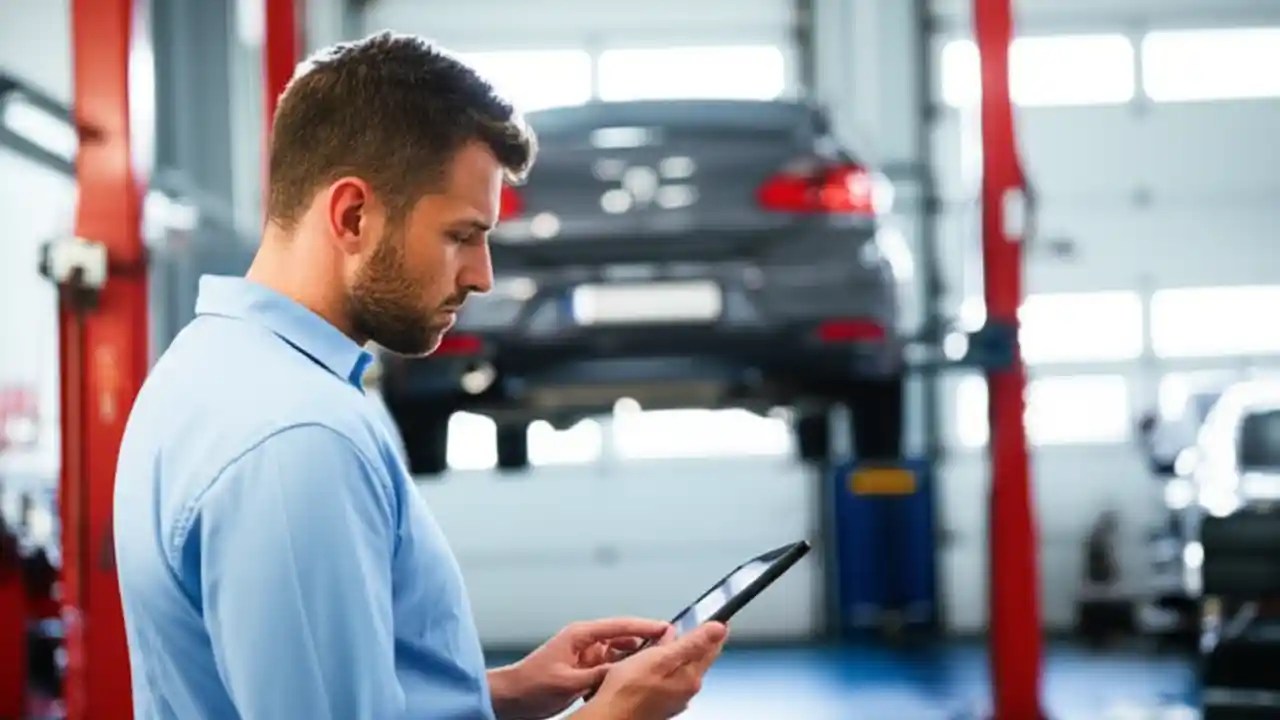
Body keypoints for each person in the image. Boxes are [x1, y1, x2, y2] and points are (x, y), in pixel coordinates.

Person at [112, 31, 728, 720]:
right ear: (353, 215)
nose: (482, 275)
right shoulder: (298, 438)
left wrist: (506, 691)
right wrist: (611, 716)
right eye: (461, 236)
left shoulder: (218, 367)